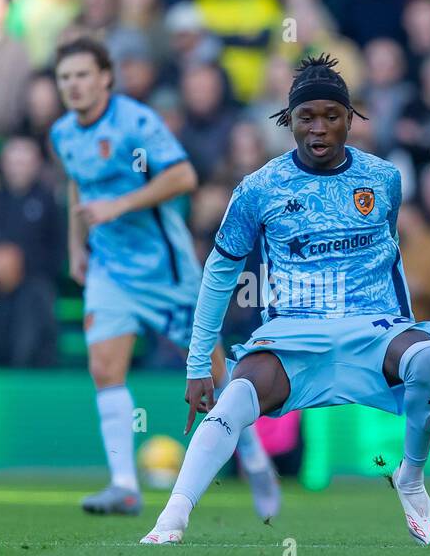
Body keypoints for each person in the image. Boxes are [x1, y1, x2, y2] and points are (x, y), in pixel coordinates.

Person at [139, 54, 430, 546]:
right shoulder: (258, 188)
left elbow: (389, 260)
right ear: (288, 122)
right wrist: (199, 361)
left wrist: (402, 323)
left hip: (371, 326)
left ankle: (410, 477)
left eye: (332, 116)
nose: (319, 128)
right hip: (294, 335)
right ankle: (172, 517)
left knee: (429, 358)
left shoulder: (385, 179)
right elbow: (219, 274)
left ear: (352, 119)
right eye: (307, 117)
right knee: (236, 396)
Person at [50, 38, 277, 518]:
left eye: (82, 75)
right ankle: (124, 485)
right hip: (109, 269)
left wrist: (119, 205)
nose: (73, 85)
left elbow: (182, 177)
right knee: (104, 368)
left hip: (164, 270)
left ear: (105, 78)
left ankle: (254, 455)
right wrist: (76, 245)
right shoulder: (64, 133)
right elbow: (77, 181)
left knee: (213, 377)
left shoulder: (136, 122)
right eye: (65, 77)